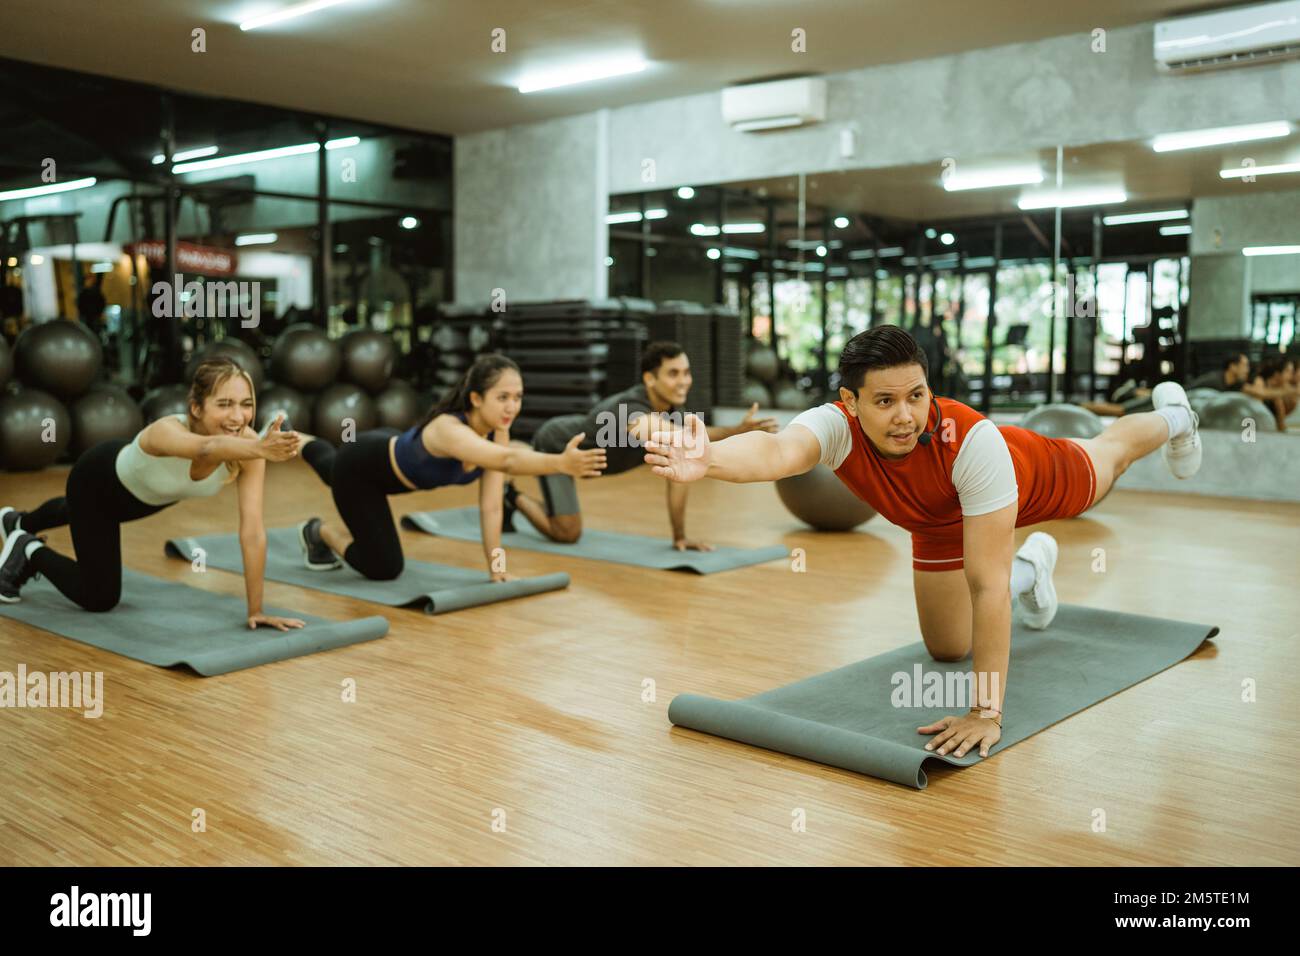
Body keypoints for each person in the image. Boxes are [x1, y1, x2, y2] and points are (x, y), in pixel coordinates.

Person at [644, 325, 1202, 762]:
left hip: (1021, 476)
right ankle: (1032, 569)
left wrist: (986, 712)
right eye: (884, 401)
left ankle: (1176, 417)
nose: (906, 416)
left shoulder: (972, 443)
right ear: (850, 401)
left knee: (1108, 456)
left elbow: (985, 588)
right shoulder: (835, 426)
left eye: (916, 395)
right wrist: (709, 459)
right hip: (935, 520)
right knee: (946, 648)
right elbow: (775, 453)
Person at [0, 358, 305, 631]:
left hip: (145, 499)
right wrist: (260, 448)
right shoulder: (166, 430)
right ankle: (27, 549)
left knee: (73, 512)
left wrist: (257, 610)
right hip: (96, 481)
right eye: (224, 404)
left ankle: (19, 521)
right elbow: (205, 449)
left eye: (246, 404)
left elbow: (252, 531)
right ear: (196, 407)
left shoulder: (249, 448)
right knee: (100, 597)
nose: (238, 416)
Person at [296, 354, 606, 581]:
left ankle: (302, 441)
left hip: (387, 449)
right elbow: (507, 460)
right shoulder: (449, 429)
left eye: (518, 397)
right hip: (361, 469)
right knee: (384, 567)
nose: (512, 406)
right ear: (475, 398)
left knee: (330, 468)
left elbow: (492, 507)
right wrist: (560, 463)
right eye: (503, 397)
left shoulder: (499, 430)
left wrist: (496, 568)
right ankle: (318, 531)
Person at [504, 340, 778, 549]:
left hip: (586, 456)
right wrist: (726, 433)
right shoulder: (628, 408)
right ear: (650, 378)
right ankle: (511, 497)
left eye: (686, 372)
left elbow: (679, 474)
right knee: (567, 533)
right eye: (673, 374)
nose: (683, 381)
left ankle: (514, 461)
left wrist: (679, 537)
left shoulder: (674, 413)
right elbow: (654, 428)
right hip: (559, 445)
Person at [1083, 351, 1250, 417]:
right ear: (1232, 366)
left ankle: (1138, 392)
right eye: (1244, 365)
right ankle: (1078, 407)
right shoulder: (1214, 381)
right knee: (1120, 411)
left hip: (1169, 404)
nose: (1247, 370)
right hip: (1168, 401)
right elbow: (1186, 391)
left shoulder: (1227, 385)